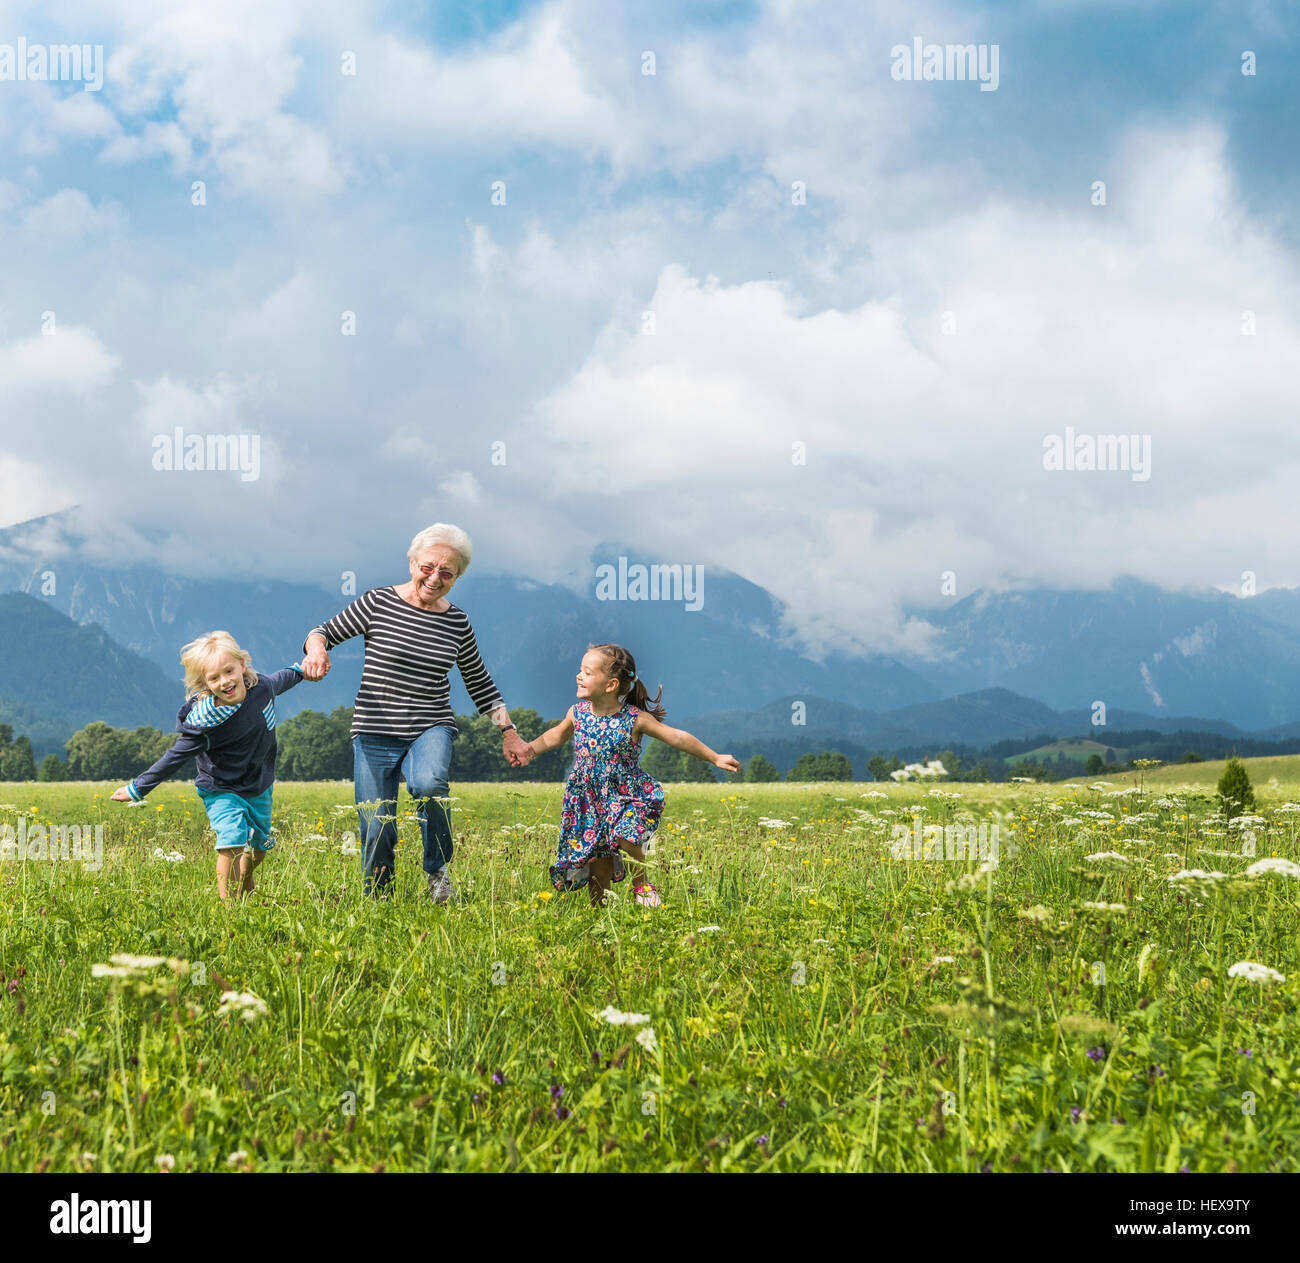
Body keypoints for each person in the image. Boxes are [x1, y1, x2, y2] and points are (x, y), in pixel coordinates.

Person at [299, 524, 530, 902]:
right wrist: (317, 651)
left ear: (458, 577)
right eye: (428, 567)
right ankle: (378, 893)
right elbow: (321, 632)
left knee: (429, 785)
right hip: (374, 729)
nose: (434, 578)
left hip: (430, 724)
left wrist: (510, 732)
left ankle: (437, 873)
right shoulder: (378, 602)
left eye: (446, 572)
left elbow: (479, 681)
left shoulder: (457, 622)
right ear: (411, 563)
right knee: (377, 820)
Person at [523, 642, 740, 907]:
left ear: (611, 684)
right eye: (580, 670)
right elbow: (554, 736)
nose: (579, 676)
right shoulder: (577, 713)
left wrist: (715, 757)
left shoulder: (635, 718)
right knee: (598, 870)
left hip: (626, 794)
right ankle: (600, 920)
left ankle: (642, 885)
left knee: (627, 834)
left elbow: (677, 737)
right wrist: (529, 750)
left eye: (587, 672)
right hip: (589, 801)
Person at [110, 631, 310, 900]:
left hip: (258, 784)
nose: (224, 681)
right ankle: (228, 908)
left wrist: (305, 667)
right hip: (221, 787)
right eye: (214, 678)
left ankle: (246, 879)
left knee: (260, 849)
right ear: (205, 684)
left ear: (242, 666)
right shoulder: (205, 722)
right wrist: (137, 789)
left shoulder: (261, 688)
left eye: (229, 671)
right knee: (232, 841)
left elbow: (282, 678)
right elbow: (174, 757)